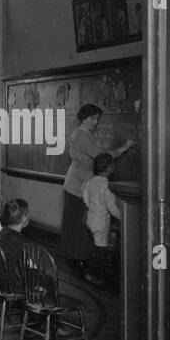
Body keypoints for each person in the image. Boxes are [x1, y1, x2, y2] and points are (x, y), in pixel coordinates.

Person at [60, 103, 132, 272]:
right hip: (77, 186)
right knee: (77, 225)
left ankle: (76, 259)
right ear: (85, 118)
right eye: (93, 119)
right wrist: (123, 148)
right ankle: (76, 260)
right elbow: (101, 156)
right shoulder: (81, 135)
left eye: (97, 119)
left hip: (80, 185)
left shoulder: (84, 134)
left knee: (78, 225)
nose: (95, 122)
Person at [82, 153, 122, 285]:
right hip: (100, 223)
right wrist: (123, 217)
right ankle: (92, 275)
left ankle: (89, 271)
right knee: (100, 251)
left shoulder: (90, 181)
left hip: (90, 219)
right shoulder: (106, 185)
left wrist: (94, 208)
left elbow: (86, 198)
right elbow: (111, 207)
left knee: (92, 248)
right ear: (110, 168)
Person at [0, 199, 30, 282]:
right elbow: (21, 271)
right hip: (12, 285)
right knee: (49, 280)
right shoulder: (18, 240)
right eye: (26, 214)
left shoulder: (3, 231)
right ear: (23, 218)